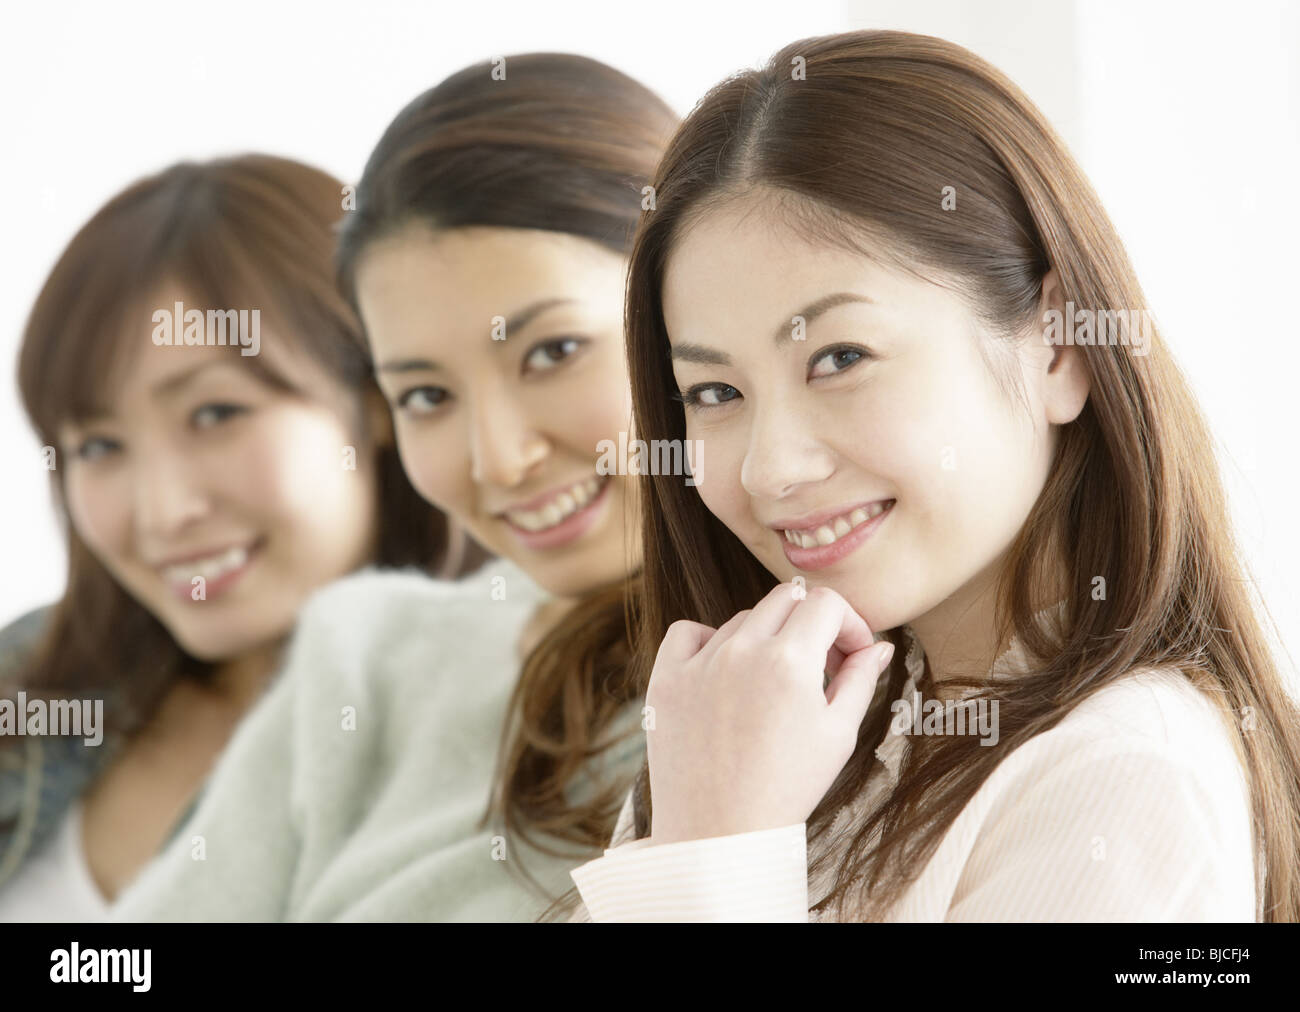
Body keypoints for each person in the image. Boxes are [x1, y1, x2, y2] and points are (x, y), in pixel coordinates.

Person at [567, 29, 1300, 922]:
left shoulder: (1125, 776)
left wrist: (717, 852)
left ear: (1059, 344)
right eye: (715, 390)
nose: (769, 468)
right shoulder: (764, 732)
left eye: (839, 357)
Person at [111, 53, 679, 921]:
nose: (496, 459)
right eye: (426, 395)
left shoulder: (837, 683)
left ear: (693, 301)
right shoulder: (365, 655)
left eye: (553, 351)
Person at [0, 154, 482, 920]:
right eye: (97, 446)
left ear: (379, 395)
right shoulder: (28, 681)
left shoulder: (517, 734)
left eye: (215, 413)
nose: (162, 511)